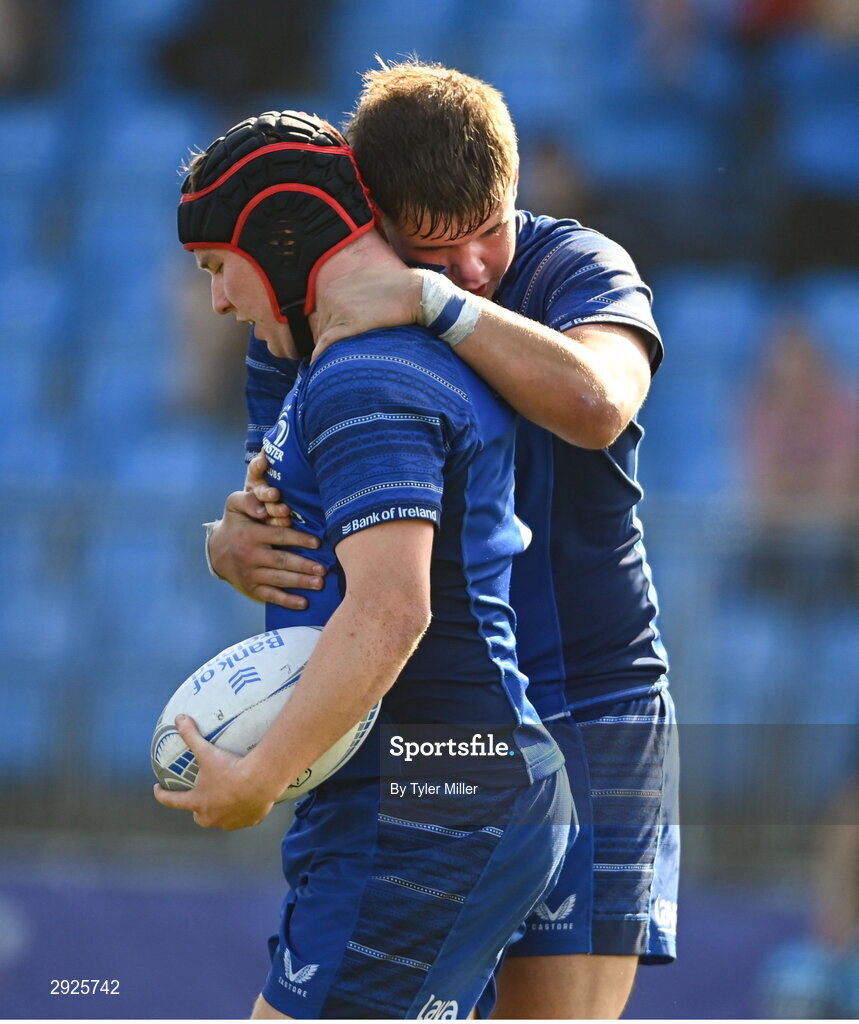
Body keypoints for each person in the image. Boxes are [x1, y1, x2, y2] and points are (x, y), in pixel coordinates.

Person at [208, 61, 679, 1019]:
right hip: (442, 731)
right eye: (435, 250)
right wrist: (230, 540)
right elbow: (292, 496)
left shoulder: (576, 266)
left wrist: (436, 303)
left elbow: (598, 404)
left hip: (592, 704)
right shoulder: (312, 323)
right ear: (373, 218)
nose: (471, 265)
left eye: (488, 233)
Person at [154, 109, 572, 1020]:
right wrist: (230, 541)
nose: (220, 302)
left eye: (219, 269)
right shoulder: (349, 361)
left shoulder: (365, 375)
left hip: (428, 799)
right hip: (425, 789)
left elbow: (391, 612)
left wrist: (259, 777)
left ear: (281, 240)